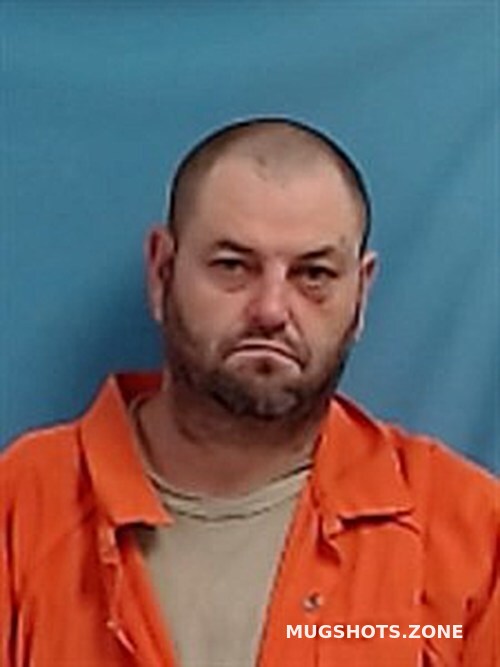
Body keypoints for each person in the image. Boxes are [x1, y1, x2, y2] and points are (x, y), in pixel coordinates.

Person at [1, 117, 498, 667]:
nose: (271, 310)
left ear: (361, 294)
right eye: (233, 266)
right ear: (162, 272)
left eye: (313, 275)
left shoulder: (468, 529)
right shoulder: (20, 507)